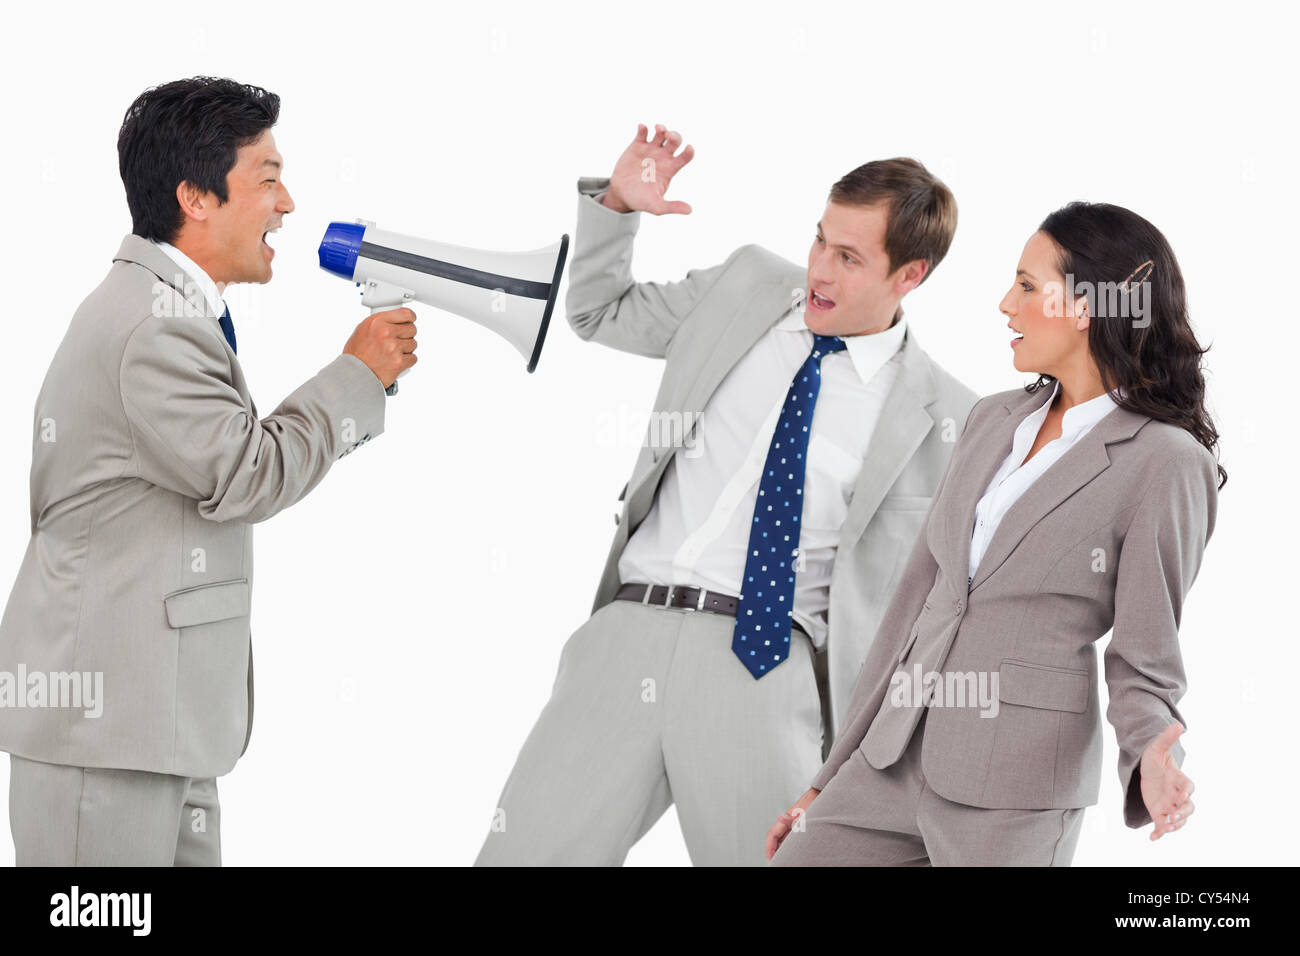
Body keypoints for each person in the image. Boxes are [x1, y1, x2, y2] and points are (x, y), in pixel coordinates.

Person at [475, 123, 977, 866]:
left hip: (765, 668)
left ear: (911, 275)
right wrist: (619, 207)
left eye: (848, 257)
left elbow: (945, 604)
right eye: (818, 241)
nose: (820, 271)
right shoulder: (748, 287)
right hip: (627, 635)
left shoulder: (949, 417)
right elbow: (597, 313)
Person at [0, 76, 418, 865]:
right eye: (267, 177)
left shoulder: (171, 311)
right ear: (195, 197)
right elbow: (246, 472)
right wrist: (356, 376)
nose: (288, 202)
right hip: (108, 735)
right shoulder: (150, 326)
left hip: (156, 729)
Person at [768, 200, 1224, 866]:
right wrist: (826, 778)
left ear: (1090, 306)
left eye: (1029, 286)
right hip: (889, 757)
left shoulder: (1166, 461)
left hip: (1014, 785)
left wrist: (1153, 756)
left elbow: (1144, 655)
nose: (1006, 304)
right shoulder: (989, 421)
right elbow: (908, 614)